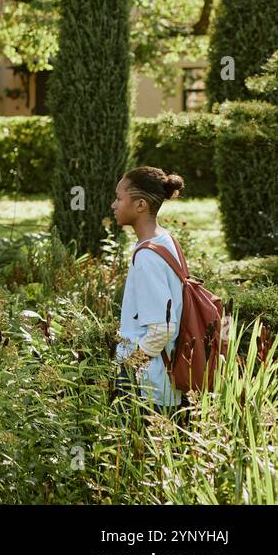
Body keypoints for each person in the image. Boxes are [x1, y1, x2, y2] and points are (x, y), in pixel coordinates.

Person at [110, 166, 188, 415]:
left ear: (140, 205)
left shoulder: (147, 256)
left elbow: (163, 329)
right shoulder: (165, 240)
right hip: (163, 379)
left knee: (134, 453)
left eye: (119, 198)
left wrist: (129, 369)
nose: (113, 205)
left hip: (147, 386)